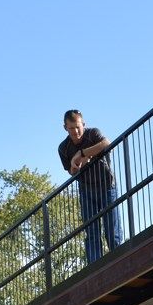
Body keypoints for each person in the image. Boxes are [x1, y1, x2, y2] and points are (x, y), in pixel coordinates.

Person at [58, 110, 124, 265]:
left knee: (112, 230)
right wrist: (76, 166)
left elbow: (106, 144)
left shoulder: (93, 133)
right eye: (71, 128)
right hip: (86, 190)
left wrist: (82, 153)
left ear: (83, 124)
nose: (75, 131)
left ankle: (120, 262)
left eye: (77, 127)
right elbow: (70, 171)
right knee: (92, 232)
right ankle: (95, 266)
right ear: (65, 128)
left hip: (107, 186)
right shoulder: (63, 148)